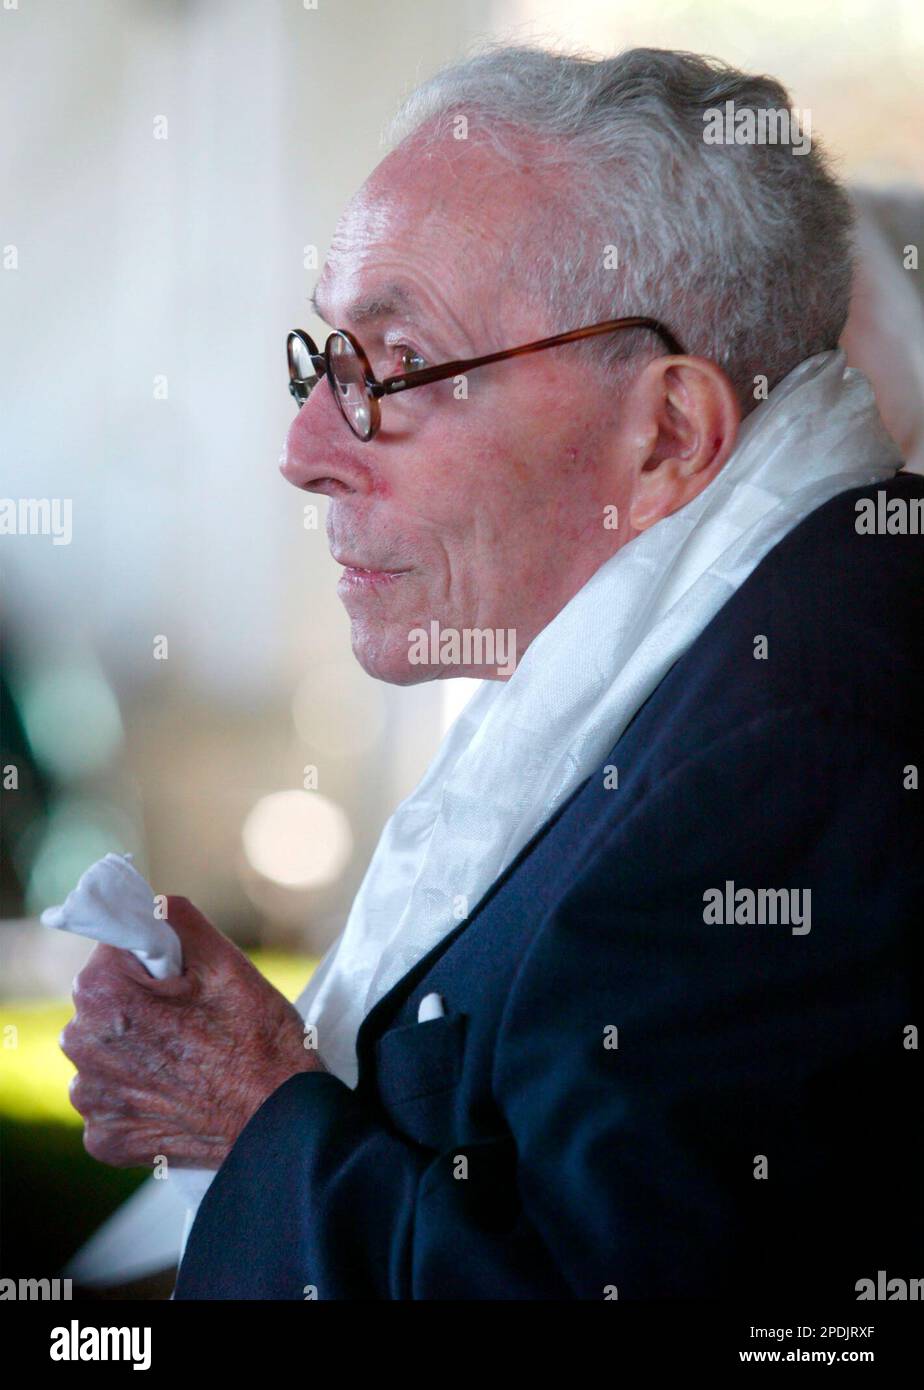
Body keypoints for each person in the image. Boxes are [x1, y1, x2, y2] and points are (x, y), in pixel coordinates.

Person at [62, 45, 923, 1300]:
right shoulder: (746, 641)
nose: (306, 452)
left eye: (397, 367)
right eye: (326, 361)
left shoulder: (798, 743)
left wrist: (254, 1120)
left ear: (670, 432)